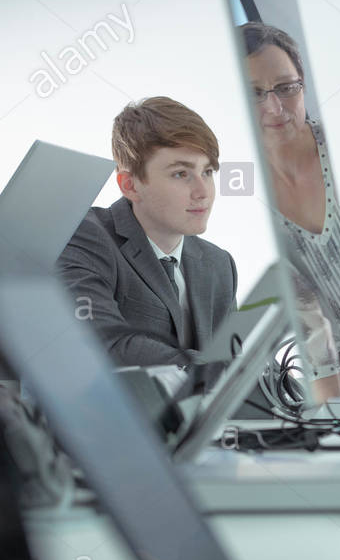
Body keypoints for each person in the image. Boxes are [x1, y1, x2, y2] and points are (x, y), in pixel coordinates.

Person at [243, 22, 340, 396]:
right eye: (254, 94)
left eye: (286, 88)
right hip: (304, 376)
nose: (275, 107)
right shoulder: (238, 187)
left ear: (303, 83)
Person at [57, 97, 237, 368]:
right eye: (181, 174)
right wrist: (213, 370)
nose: (203, 192)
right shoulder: (85, 237)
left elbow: (237, 373)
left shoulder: (219, 264)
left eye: (208, 171)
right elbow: (107, 343)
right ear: (130, 185)